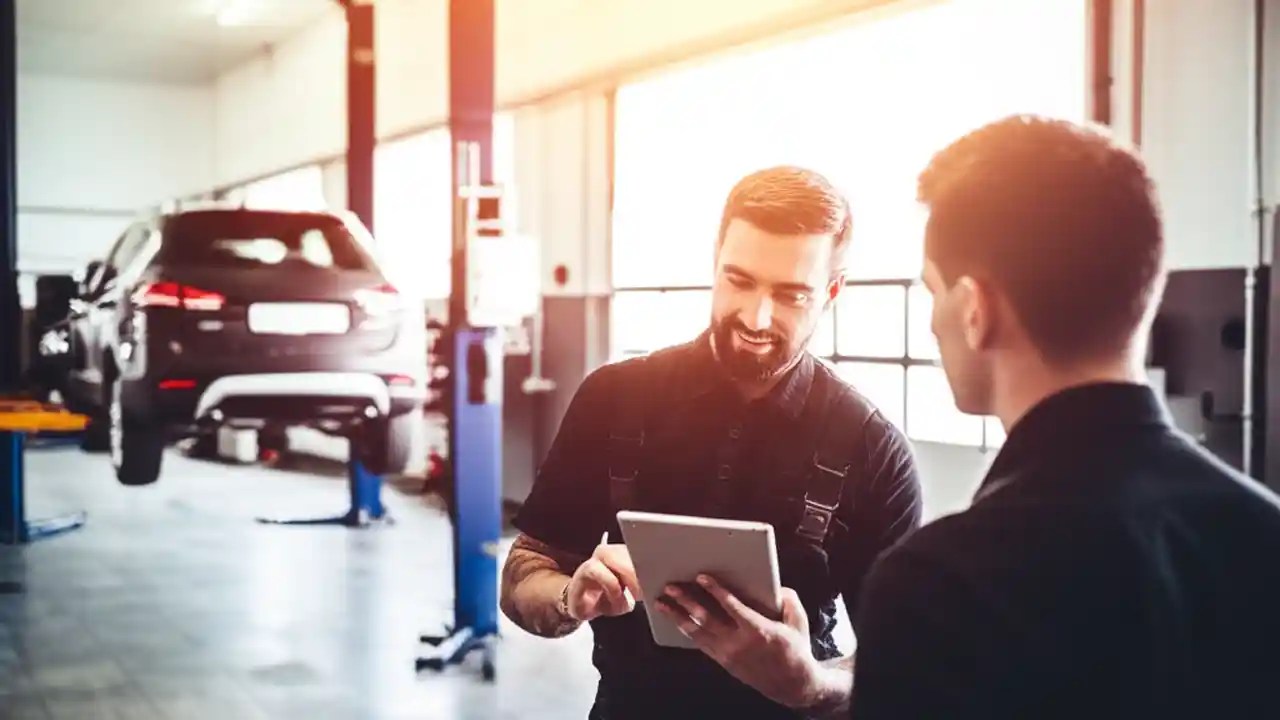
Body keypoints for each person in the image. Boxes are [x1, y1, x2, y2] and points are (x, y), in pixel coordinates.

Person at [848, 115, 1280, 719]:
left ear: (975, 308)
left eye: (934, 291)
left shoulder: (941, 588)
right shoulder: (1264, 533)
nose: (932, 320)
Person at [501, 166, 923, 718]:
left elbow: (904, 667)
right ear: (715, 263)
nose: (756, 317)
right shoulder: (615, 399)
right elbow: (524, 573)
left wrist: (811, 684)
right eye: (740, 281)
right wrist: (570, 596)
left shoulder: (873, 450)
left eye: (791, 294)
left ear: (832, 291)